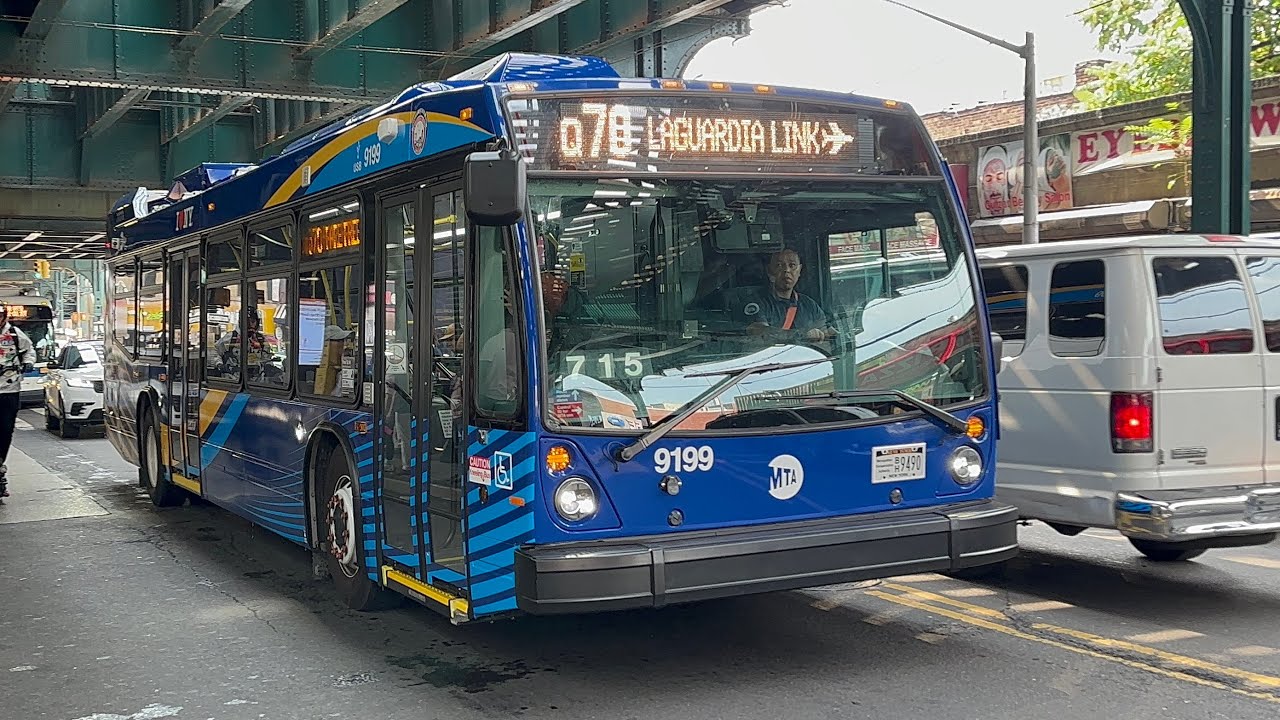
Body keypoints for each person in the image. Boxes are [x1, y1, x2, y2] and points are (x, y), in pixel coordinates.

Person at [727, 249, 835, 342]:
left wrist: (831, 334)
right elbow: (759, 332)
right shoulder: (755, 302)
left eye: (792, 265)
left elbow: (824, 335)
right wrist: (802, 335)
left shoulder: (809, 305)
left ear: (799, 270)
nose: (787, 270)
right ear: (769, 271)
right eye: (779, 265)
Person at [0, 306, 35, 498]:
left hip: (9, 389)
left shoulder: (14, 334)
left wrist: (28, 362)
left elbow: (29, 350)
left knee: (5, 430)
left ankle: (0, 465)